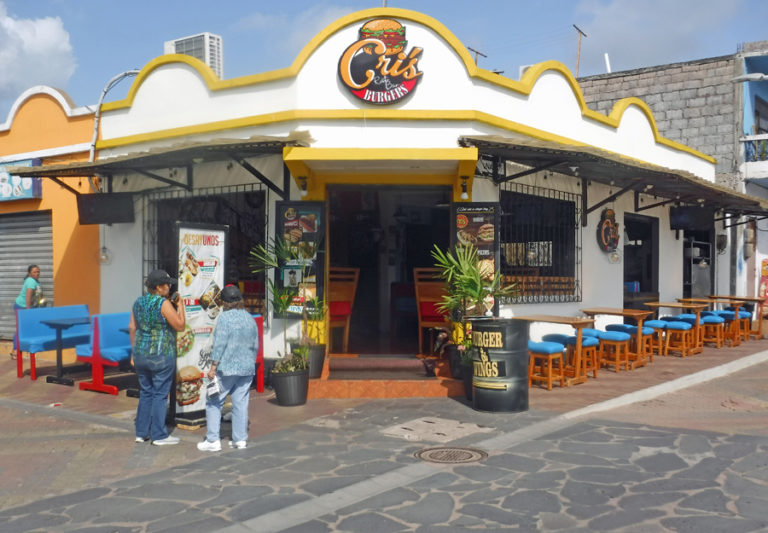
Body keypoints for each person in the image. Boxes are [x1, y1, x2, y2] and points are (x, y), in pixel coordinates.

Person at [198, 284, 258, 452]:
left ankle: (213, 440)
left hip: (227, 368)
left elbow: (219, 345)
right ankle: (240, 440)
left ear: (224, 302)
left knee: (213, 401)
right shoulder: (249, 318)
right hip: (247, 368)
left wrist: (213, 367)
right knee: (240, 403)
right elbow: (255, 344)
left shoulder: (224, 318)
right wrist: (250, 362)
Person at [129, 269, 186, 446]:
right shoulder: (163, 303)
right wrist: (181, 306)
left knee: (146, 392)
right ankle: (159, 435)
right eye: (167, 284)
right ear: (159, 287)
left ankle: (141, 433)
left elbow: (132, 327)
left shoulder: (138, 302)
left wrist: (133, 351)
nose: (169, 287)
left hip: (141, 353)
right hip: (161, 353)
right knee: (160, 394)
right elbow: (180, 325)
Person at [11, 265, 41, 359]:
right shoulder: (31, 281)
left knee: (24, 328)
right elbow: (28, 296)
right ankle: (15, 351)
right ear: (29, 273)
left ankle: (20, 349)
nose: (37, 273)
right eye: (34, 272)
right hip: (22, 307)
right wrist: (28, 311)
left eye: (38, 271)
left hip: (27, 307)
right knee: (21, 329)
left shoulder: (34, 281)